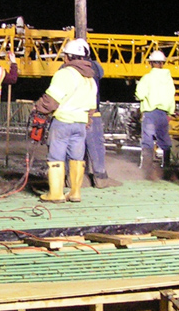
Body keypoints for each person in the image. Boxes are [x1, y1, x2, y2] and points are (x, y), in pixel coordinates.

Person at [33, 38, 98, 203]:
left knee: (56, 156)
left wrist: (39, 109)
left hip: (63, 122)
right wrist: (87, 119)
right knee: (77, 158)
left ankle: (55, 194)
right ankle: (75, 193)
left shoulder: (65, 74)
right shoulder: (90, 78)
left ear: (68, 57)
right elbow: (92, 106)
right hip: (81, 123)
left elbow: (51, 100)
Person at [134, 50, 175, 181]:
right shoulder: (169, 79)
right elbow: (171, 97)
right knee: (164, 140)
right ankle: (167, 167)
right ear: (163, 63)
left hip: (150, 113)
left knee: (148, 139)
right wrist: (170, 112)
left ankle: (147, 168)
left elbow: (139, 94)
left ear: (151, 63)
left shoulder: (147, 78)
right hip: (163, 114)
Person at [85, 48, 120, 188]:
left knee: (74, 148)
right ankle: (101, 178)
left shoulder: (65, 69)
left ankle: (74, 180)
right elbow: (101, 73)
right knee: (96, 146)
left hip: (71, 115)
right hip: (92, 113)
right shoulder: (94, 67)